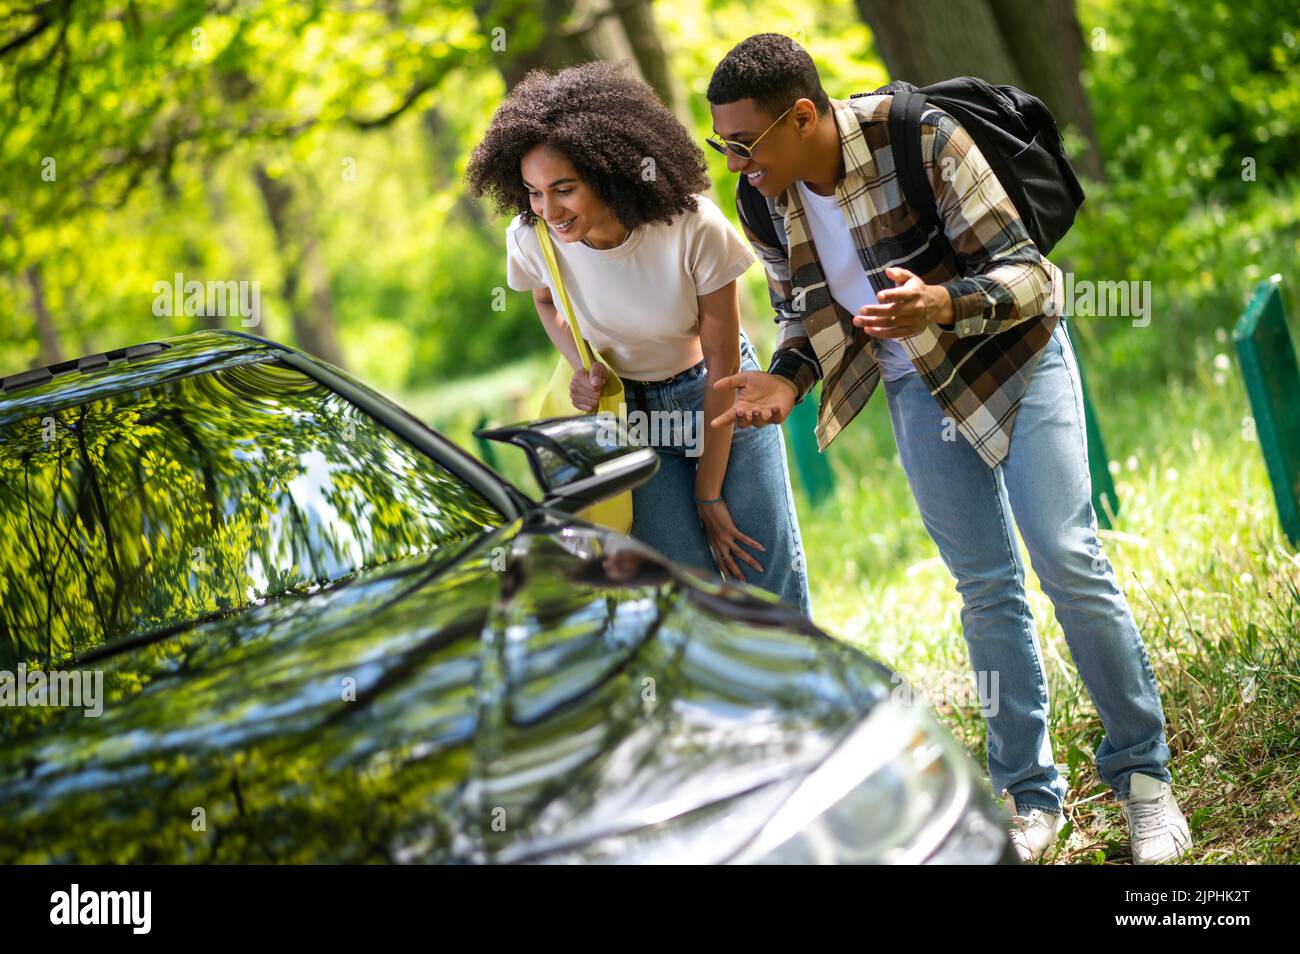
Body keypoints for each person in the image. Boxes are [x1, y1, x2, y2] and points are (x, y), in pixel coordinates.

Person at [704, 33, 1191, 864]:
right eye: (722, 145)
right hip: (914, 388)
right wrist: (786, 381)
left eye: (743, 143)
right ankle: (1031, 797)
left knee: (1066, 557)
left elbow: (1034, 276)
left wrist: (941, 303)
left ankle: (1145, 781)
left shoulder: (918, 133)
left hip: (1013, 361)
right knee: (984, 587)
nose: (734, 161)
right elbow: (798, 315)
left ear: (803, 114)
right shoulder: (765, 199)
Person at [466, 60, 811, 616]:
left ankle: (804, 698)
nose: (548, 211)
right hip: (633, 415)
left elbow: (723, 359)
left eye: (564, 189)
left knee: (765, 571)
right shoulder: (532, 237)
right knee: (684, 589)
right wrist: (583, 366)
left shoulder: (690, 225)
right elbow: (545, 299)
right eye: (532, 192)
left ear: (609, 173)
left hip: (719, 395)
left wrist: (709, 491)